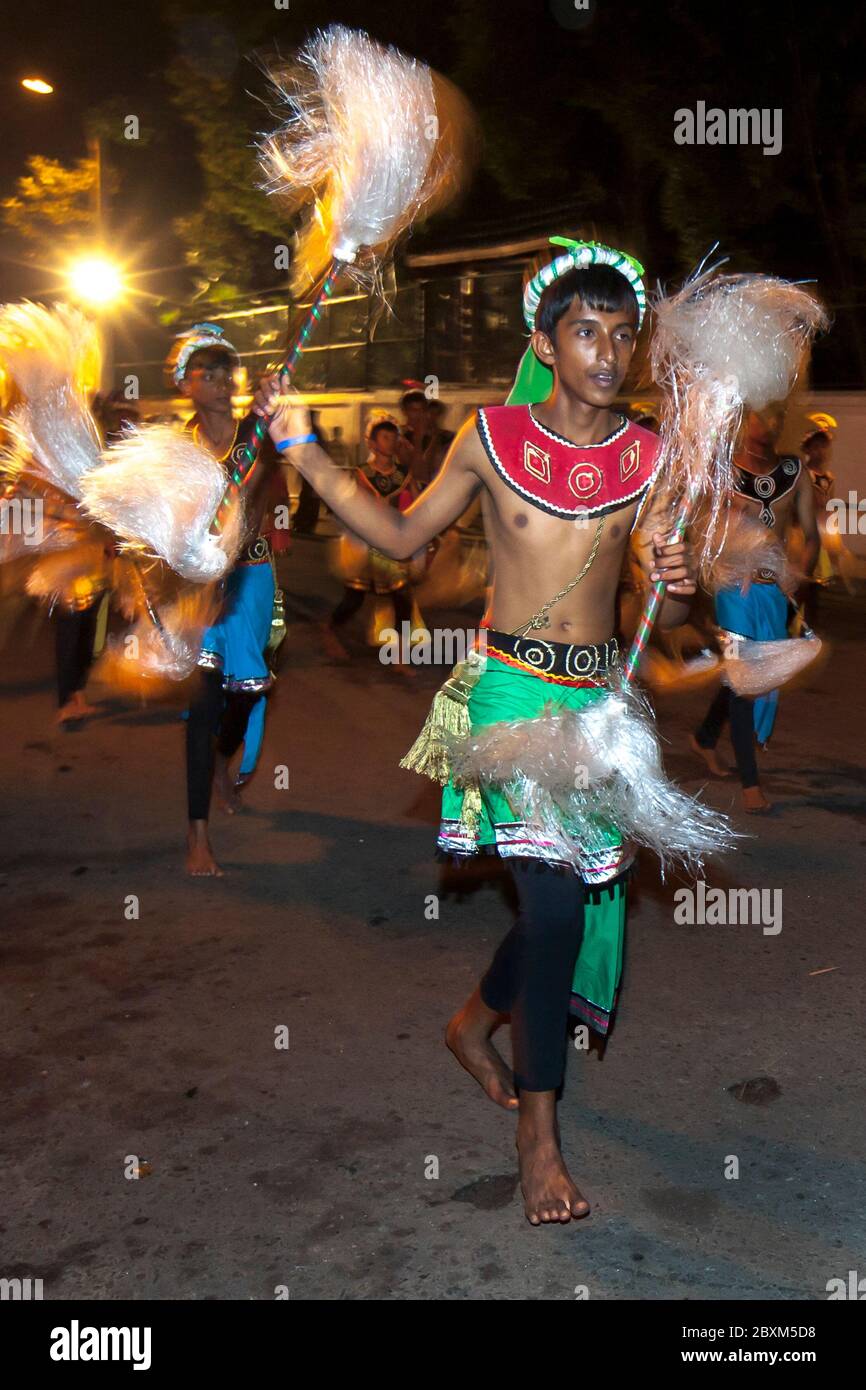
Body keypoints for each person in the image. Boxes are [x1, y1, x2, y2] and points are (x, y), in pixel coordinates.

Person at [256, 241, 704, 1225]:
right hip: (506, 702)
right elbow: (403, 537)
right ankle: (536, 1138)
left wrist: (677, 583)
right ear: (545, 341)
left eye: (622, 333)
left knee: (571, 913)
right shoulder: (491, 436)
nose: (607, 350)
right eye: (585, 330)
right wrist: (306, 454)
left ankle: (470, 1022)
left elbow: (661, 621)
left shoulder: (646, 454)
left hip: (598, 713)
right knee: (550, 917)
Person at [169, 324, 282, 876]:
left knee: (245, 693)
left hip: (249, 578)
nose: (217, 382)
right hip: (197, 588)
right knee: (204, 704)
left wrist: (261, 453)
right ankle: (197, 838)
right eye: (204, 374)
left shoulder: (254, 434)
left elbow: (258, 491)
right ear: (185, 384)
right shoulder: (173, 450)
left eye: (223, 373)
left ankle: (222, 760)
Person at [690, 404, 819, 811]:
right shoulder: (721, 470)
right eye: (760, 416)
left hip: (772, 595)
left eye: (777, 415)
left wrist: (798, 577)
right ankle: (751, 785)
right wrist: (729, 523)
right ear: (743, 419)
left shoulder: (794, 472)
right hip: (733, 592)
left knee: (753, 677)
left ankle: (706, 736)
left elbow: (811, 535)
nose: (769, 424)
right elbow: (702, 531)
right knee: (745, 678)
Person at [322, 418, 418, 665]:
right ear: (373, 444)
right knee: (354, 599)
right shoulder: (360, 473)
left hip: (392, 545)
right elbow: (344, 506)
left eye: (394, 437)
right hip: (364, 545)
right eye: (385, 437)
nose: (391, 441)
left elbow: (421, 503)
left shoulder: (404, 474)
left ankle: (400, 656)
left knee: (402, 599)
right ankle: (330, 629)